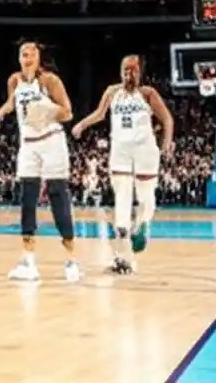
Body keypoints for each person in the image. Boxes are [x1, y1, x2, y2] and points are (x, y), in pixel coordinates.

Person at [72, 55, 174, 275]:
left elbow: (167, 119)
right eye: (125, 70)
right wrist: (81, 125)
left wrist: (166, 143)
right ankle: (122, 256)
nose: (129, 74)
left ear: (140, 72)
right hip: (120, 149)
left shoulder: (148, 94)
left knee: (146, 196)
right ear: (120, 72)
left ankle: (143, 223)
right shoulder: (112, 92)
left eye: (133, 70)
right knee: (122, 197)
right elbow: (99, 114)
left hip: (145, 148)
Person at [0, 41, 80, 284]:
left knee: (57, 194)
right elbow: (12, 102)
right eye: (23, 54)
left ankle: (71, 259)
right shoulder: (14, 80)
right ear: (19, 58)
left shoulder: (50, 81)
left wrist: (47, 109)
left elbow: (68, 112)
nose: (27, 57)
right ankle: (29, 262)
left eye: (31, 54)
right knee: (27, 198)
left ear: (39, 58)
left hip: (52, 141)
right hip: (28, 144)